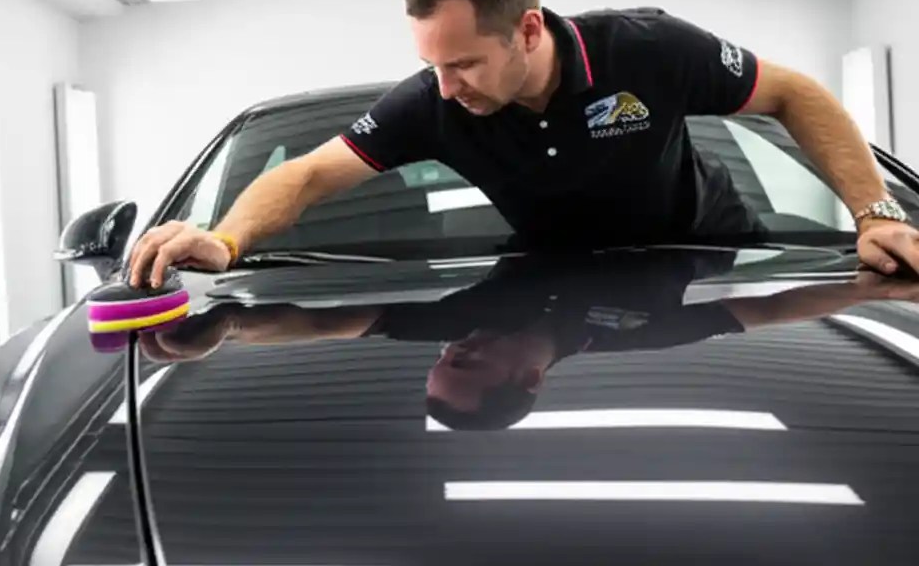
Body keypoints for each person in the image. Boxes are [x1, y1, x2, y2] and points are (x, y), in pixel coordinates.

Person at [129, 0, 919, 288]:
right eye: (430, 65)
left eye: (464, 61)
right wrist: (226, 238)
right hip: (539, 285)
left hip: (722, 267)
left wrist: (876, 213)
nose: (446, 86)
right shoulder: (433, 104)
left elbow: (794, 93)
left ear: (529, 28)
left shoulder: (650, 50)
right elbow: (305, 176)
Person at [135, 249, 919, 430]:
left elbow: (321, 322)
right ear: (532, 382)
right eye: (466, 366)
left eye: (445, 363)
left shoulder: (446, 318)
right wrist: (875, 284)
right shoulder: (639, 337)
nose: (452, 351)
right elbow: (774, 307)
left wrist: (230, 324)